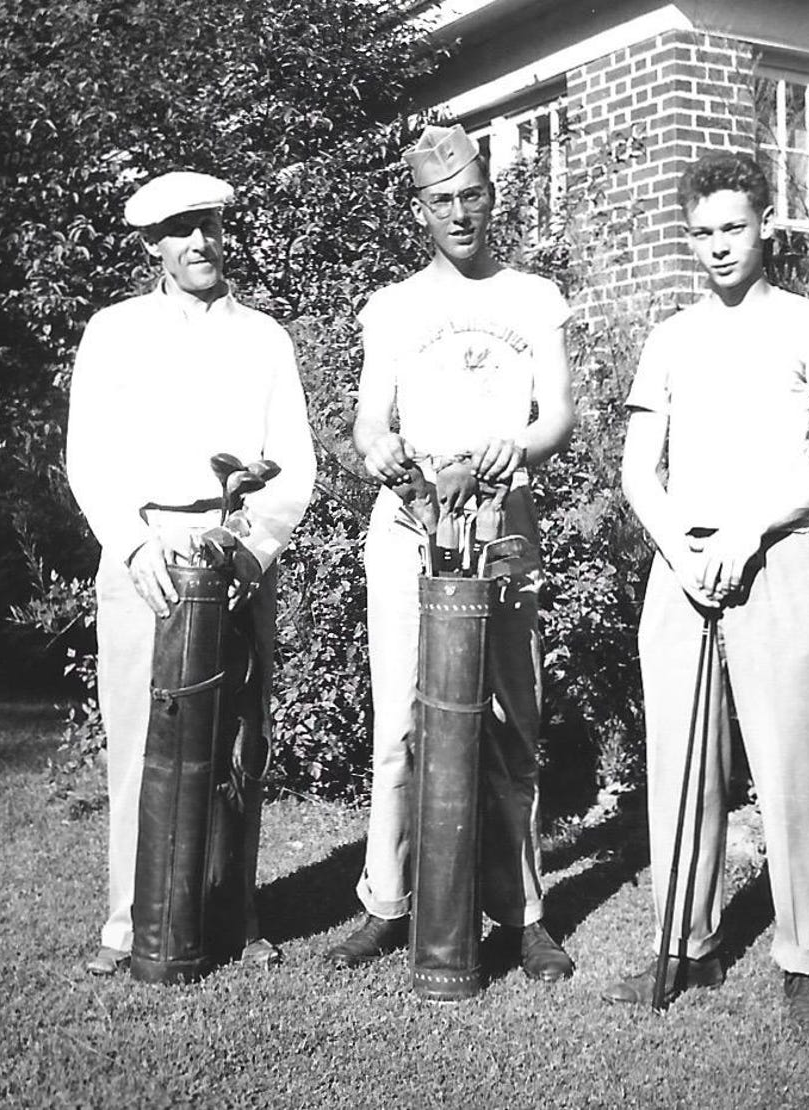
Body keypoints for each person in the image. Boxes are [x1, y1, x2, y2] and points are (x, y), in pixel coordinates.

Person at [605, 152, 809, 1028]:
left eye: (733, 227)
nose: (719, 246)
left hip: (779, 560)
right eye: (703, 232)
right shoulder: (672, 336)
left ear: (764, 225)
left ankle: (805, 958)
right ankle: (687, 944)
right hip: (682, 568)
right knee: (682, 763)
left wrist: (750, 529)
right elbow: (640, 468)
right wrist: (679, 547)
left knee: (793, 764)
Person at [325, 124, 576, 982]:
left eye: (472, 194)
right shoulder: (392, 307)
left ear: (492, 197)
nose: (459, 212)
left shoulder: (535, 297)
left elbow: (558, 419)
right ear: (420, 209)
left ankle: (524, 912)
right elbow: (368, 421)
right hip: (409, 527)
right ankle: (387, 904)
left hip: (502, 526)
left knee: (509, 720)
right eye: (441, 199)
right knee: (399, 720)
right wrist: (378, 450)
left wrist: (521, 449)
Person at [66, 171, 316, 976]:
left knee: (242, 740)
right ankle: (128, 923)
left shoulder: (265, 338)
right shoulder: (115, 331)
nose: (199, 242)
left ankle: (233, 914)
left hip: (236, 551)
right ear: (153, 246)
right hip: (147, 558)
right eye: (180, 230)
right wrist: (133, 547)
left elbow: (297, 462)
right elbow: (89, 457)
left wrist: (251, 546)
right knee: (142, 742)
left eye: (208, 224)